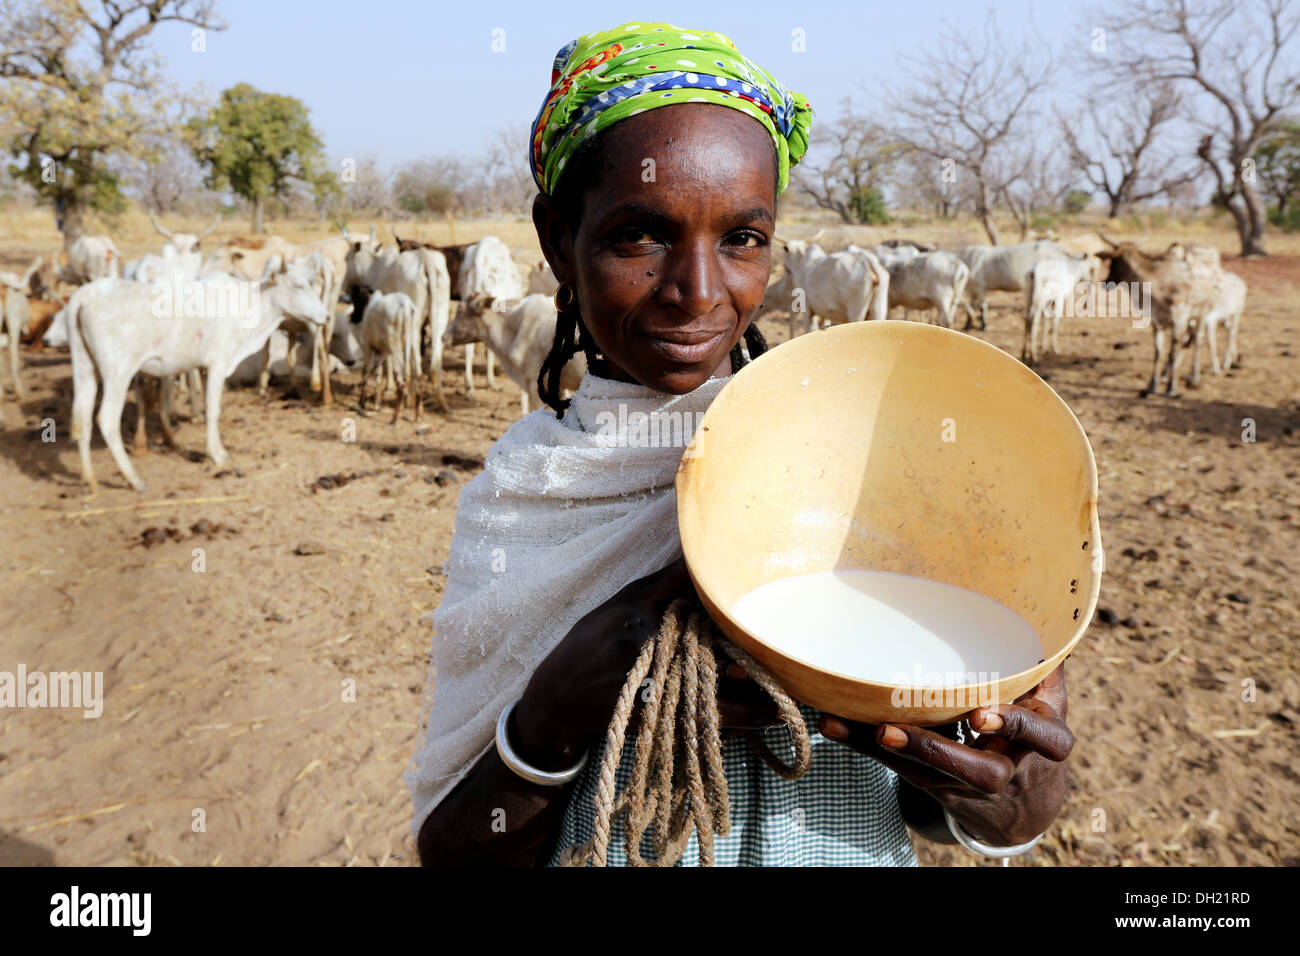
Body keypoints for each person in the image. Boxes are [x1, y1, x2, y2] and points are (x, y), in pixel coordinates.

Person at [406, 20, 1075, 866]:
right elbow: (457, 850)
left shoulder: (870, 472)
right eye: (638, 235)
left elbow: (962, 790)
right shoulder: (522, 506)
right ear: (555, 243)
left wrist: (1010, 804)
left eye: (742, 240)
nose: (697, 291)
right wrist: (555, 710)